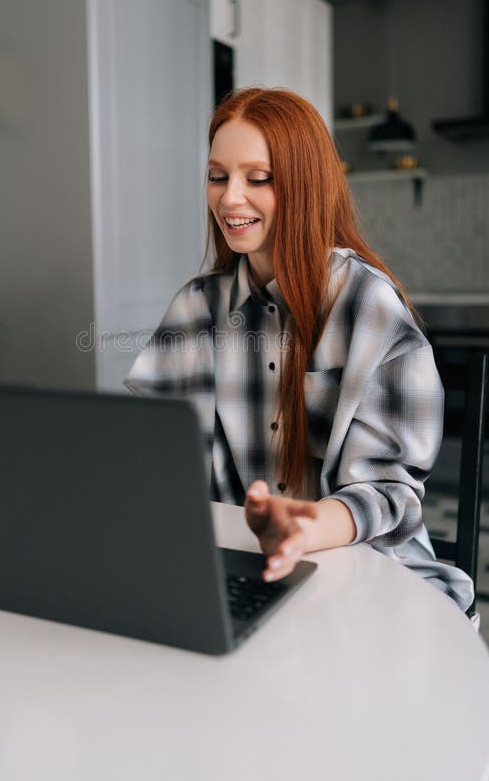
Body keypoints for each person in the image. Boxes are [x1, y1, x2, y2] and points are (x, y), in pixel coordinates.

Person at [125, 87, 474, 613]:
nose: (229, 198)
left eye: (257, 178)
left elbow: (389, 494)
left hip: (376, 575)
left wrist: (303, 527)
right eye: (218, 177)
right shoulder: (196, 309)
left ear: (304, 185)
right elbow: (155, 458)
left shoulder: (367, 306)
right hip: (247, 569)